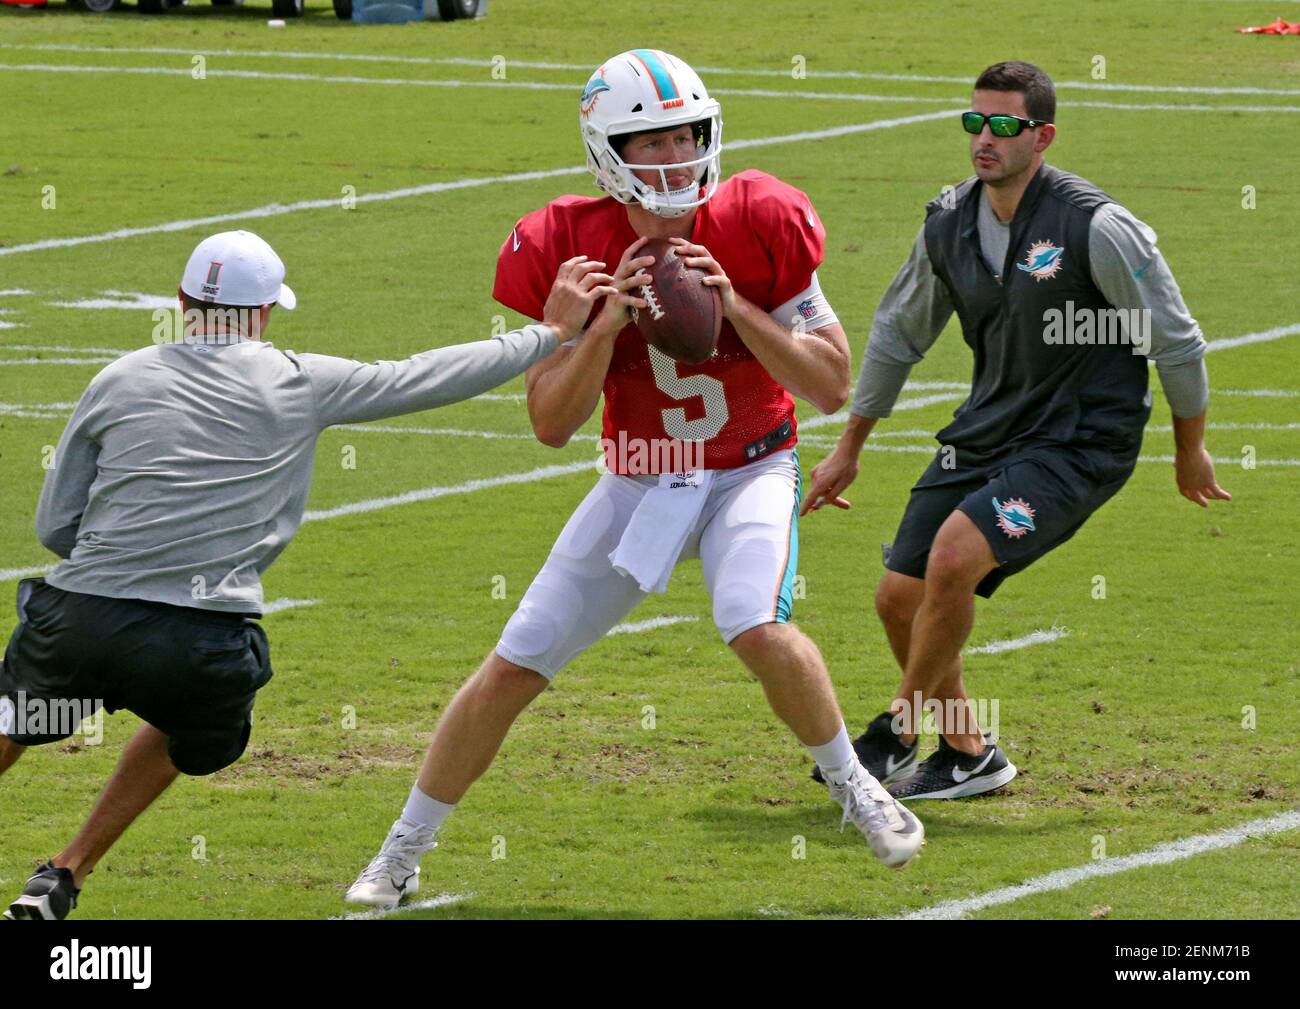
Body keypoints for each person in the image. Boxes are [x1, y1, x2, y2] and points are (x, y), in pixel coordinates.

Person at [345, 49, 926, 908]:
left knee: (753, 622)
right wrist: (596, 325)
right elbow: (550, 425)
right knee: (514, 663)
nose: (676, 157)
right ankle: (400, 851)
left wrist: (732, 307)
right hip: (639, 477)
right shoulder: (565, 243)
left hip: (748, 466)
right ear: (605, 149)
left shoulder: (761, 213)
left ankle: (856, 788)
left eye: (687, 134)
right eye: (649, 142)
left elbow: (832, 384)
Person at [0, 229, 609, 920]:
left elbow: (55, 526)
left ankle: (45, 787)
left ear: (182, 300)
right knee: (187, 719)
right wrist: (553, 332)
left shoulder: (118, 376)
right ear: (264, 312)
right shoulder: (298, 380)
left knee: (20, 714)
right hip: (197, 640)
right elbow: (426, 373)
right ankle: (66, 870)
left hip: (78, 614)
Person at [802, 61, 1230, 800]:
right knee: (896, 598)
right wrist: (850, 446)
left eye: (1004, 126)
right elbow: (898, 336)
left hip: (1080, 440)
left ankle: (898, 729)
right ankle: (969, 752)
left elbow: (1178, 342)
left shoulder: (1096, 228)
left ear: (1043, 136)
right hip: (989, 428)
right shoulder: (948, 224)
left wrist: (1189, 449)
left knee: (952, 561)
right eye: (975, 124)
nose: (985, 141)